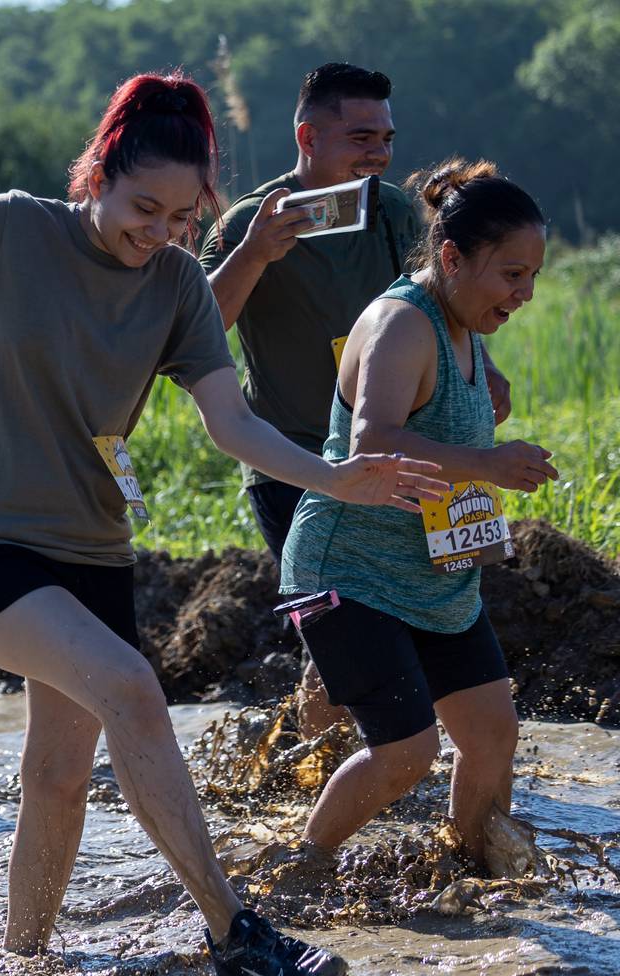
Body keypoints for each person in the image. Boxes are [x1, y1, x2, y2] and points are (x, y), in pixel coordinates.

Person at [0, 39, 449, 976]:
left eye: (181, 217)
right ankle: (236, 933)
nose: (157, 233)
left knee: (58, 775)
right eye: (139, 209)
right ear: (98, 176)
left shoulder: (175, 287)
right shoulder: (12, 231)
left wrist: (337, 477)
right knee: (133, 688)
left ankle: (21, 964)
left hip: (93, 551)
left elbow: (231, 421)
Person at [198, 63, 515, 739]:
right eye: (361, 136)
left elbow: (442, 296)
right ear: (308, 136)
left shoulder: (394, 212)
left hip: (398, 453)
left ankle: (343, 751)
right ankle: (313, 756)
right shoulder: (248, 221)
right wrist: (254, 253)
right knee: (349, 632)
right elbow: (197, 333)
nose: (378, 152)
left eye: (387, 139)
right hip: (294, 463)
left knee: (394, 620)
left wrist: (481, 367)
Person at [280, 161, 552, 869]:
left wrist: (483, 378)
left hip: (433, 573)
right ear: (453, 257)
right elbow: (374, 443)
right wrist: (490, 465)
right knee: (407, 752)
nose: (523, 294)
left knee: (492, 732)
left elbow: (440, 414)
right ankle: (298, 871)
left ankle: (474, 876)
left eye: (532, 277)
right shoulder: (403, 321)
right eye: (511, 275)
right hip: (349, 570)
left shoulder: (464, 320)